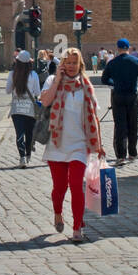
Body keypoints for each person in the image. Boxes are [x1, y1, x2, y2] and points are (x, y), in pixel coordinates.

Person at [39, 47, 104, 243]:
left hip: (79, 144)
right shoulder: (53, 81)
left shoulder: (86, 85)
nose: (71, 66)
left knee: (76, 186)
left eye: (74, 63)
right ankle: (58, 213)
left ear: (80, 64)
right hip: (57, 144)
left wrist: (99, 144)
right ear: (62, 64)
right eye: (67, 62)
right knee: (59, 187)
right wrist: (57, 80)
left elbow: (94, 115)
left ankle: (77, 227)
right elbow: (44, 101)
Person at [102, 37, 138, 164]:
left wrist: (115, 83)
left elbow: (104, 79)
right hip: (132, 96)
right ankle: (133, 152)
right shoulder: (137, 61)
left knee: (120, 125)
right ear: (128, 48)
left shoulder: (112, 63)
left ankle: (121, 156)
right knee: (133, 125)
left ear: (117, 49)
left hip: (118, 96)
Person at [5, 48, 42, 167]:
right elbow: (37, 92)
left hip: (17, 107)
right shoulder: (34, 75)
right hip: (29, 107)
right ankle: (28, 154)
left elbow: (7, 91)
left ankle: (22, 158)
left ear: (18, 62)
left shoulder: (12, 74)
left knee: (19, 133)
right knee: (29, 133)